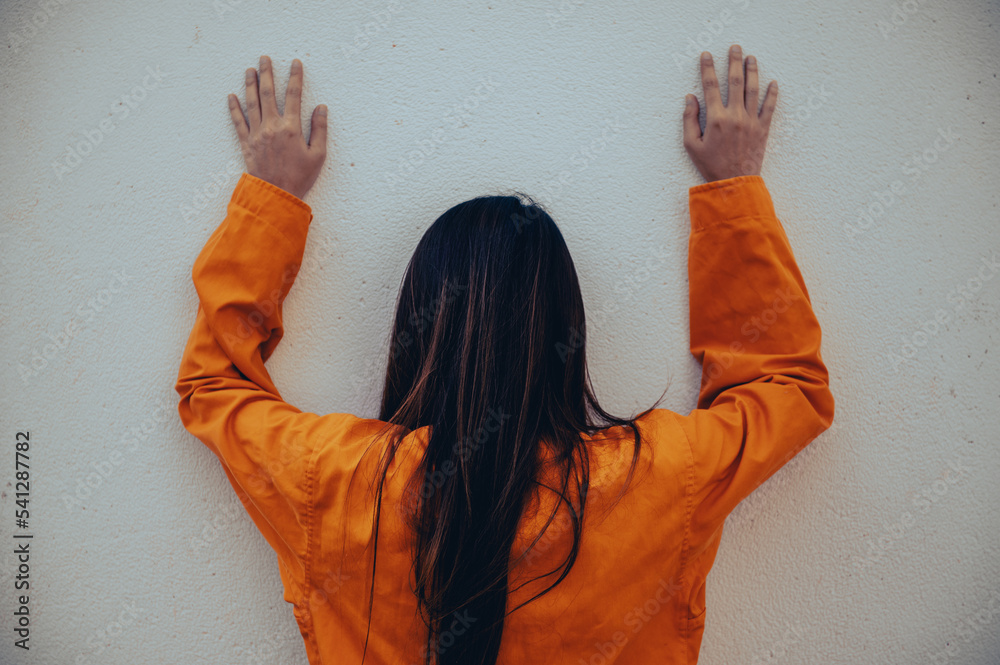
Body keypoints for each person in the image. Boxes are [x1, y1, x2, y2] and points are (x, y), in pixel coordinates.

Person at [175, 44, 834, 665]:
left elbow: (212, 385)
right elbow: (786, 389)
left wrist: (273, 199)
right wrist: (734, 190)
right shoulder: (657, 480)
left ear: (418, 322)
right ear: (566, 333)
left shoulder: (335, 480)